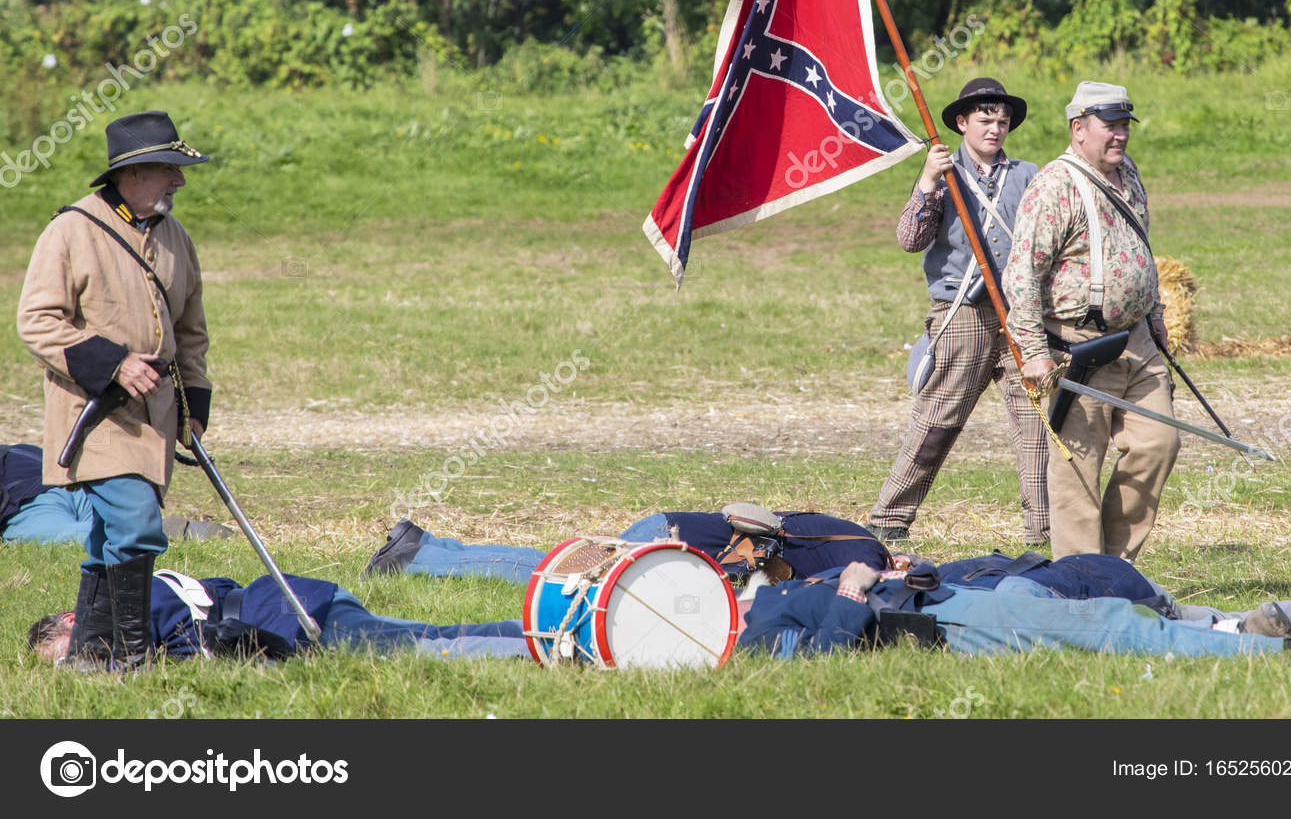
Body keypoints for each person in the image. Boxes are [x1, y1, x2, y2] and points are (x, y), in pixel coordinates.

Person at [16, 111, 213, 669]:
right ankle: (131, 657)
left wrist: (194, 407)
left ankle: (88, 654)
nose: (180, 181)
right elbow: (36, 321)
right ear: (133, 174)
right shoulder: (71, 230)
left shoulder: (175, 237)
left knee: (110, 533)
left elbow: (191, 332)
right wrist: (116, 363)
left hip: (157, 415)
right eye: (169, 170)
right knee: (137, 526)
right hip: (93, 412)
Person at [868, 77, 1049, 545]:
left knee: (1037, 425)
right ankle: (889, 518)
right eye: (985, 120)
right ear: (963, 123)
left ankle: (1044, 529)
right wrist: (928, 180)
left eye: (1002, 122)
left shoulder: (1029, 175)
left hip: (1018, 314)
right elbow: (910, 240)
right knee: (939, 419)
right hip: (961, 313)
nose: (994, 129)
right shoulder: (943, 173)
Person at [1003, 81, 1177, 561]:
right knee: (1077, 468)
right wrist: (1034, 353)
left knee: (1159, 443)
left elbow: (1141, 249)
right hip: (1077, 345)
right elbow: (1021, 274)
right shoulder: (1053, 186)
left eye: (1124, 125)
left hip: (1137, 340)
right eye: (1110, 125)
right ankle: (1082, 578)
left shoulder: (1130, 173)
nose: (1120, 135)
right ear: (1079, 129)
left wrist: (1157, 313)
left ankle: (1117, 566)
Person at [738, 553, 1291, 660]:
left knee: (1119, 620)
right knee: (1111, 625)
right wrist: (850, 593)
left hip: (950, 597)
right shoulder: (755, 637)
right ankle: (1282, 650)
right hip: (940, 626)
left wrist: (890, 571)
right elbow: (827, 658)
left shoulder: (770, 596)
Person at [27, 570, 528, 664]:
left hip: (287, 614)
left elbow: (156, 648)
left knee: (424, 650)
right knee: (433, 636)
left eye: (75, 654)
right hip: (290, 608)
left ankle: (553, 649)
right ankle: (540, 634)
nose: (91, 661)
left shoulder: (133, 597)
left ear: (75, 619)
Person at [363, 506, 889, 586]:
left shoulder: (851, 536)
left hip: (675, 528)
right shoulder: (863, 558)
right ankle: (416, 556)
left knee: (554, 565)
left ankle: (428, 545)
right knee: (558, 576)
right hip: (673, 541)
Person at [1, 443, 232, 545]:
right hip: (68, 473)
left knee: (72, 535)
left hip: (26, 497)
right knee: (107, 520)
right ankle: (143, 525)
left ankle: (160, 530)